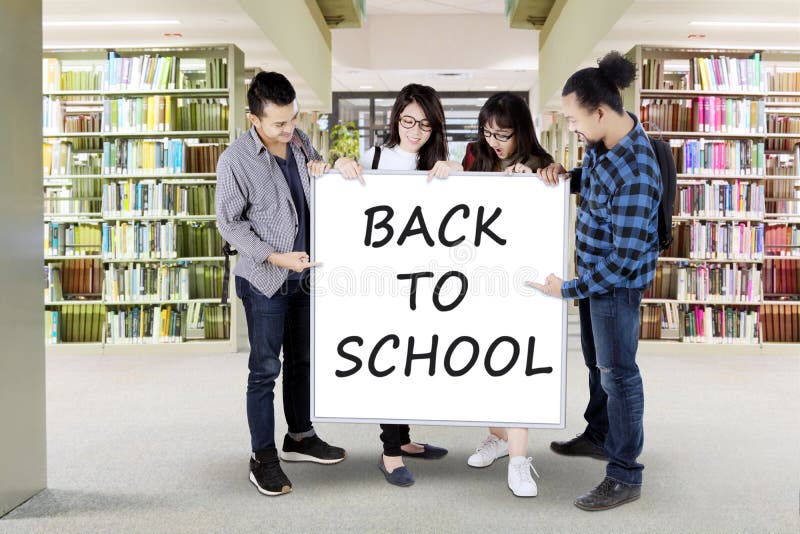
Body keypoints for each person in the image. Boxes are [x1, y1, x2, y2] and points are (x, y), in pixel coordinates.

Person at [531, 51, 661, 511]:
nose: (572, 128)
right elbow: (595, 181)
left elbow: (623, 263)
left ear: (600, 112)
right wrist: (565, 177)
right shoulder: (605, 144)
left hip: (613, 287)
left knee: (619, 374)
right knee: (596, 364)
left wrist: (563, 289)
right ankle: (599, 435)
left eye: (573, 119)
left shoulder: (638, 172)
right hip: (593, 277)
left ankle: (625, 473)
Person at [216, 71, 346, 497]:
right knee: (264, 370)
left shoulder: (301, 141)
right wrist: (276, 257)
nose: (289, 130)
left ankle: (300, 436)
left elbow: (315, 189)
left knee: (303, 361)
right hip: (265, 278)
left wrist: (328, 171)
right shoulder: (236, 159)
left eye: (293, 120)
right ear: (253, 118)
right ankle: (263, 457)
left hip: (305, 276)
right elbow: (229, 225)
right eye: (278, 124)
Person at [334, 83, 460, 486]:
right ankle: (389, 452)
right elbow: (347, 204)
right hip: (382, 280)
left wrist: (454, 170)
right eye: (408, 121)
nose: (415, 130)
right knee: (390, 362)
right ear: (396, 119)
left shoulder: (439, 161)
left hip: (425, 281)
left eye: (425, 123)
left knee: (412, 360)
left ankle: (403, 439)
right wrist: (340, 164)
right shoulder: (374, 157)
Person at [461, 92, 554, 498]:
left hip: (520, 282)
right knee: (481, 366)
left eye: (503, 134)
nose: (494, 141)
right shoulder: (474, 154)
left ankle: (518, 461)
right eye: (487, 132)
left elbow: (551, 212)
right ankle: (498, 438)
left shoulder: (541, 162)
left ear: (522, 131)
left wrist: (538, 182)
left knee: (516, 366)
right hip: (478, 277)